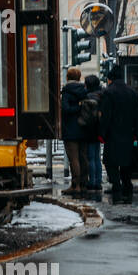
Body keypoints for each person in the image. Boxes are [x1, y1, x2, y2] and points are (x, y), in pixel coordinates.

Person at [99, 64, 138, 203]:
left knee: (110, 160)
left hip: (113, 133)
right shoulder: (132, 92)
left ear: (110, 79)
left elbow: (106, 115)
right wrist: (136, 132)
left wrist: (102, 133)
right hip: (128, 133)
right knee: (126, 160)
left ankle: (116, 184)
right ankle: (127, 184)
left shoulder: (108, 92)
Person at [60, 67, 89, 195]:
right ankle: (83, 184)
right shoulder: (84, 90)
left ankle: (75, 185)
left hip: (70, 129)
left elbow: (66, 109)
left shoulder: (66, 91)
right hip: (83, 128)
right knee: (83, 157)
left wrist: (75, 107)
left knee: (74, 159)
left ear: (68, 77)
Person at [80, 74, 104, 194]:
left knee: (90, 158)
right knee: (97, 157)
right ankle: (98, 182)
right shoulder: (102, 95)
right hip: (99, 130)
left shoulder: (87, 98)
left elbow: (85, 118)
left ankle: (92, 182)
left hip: (89, 131)